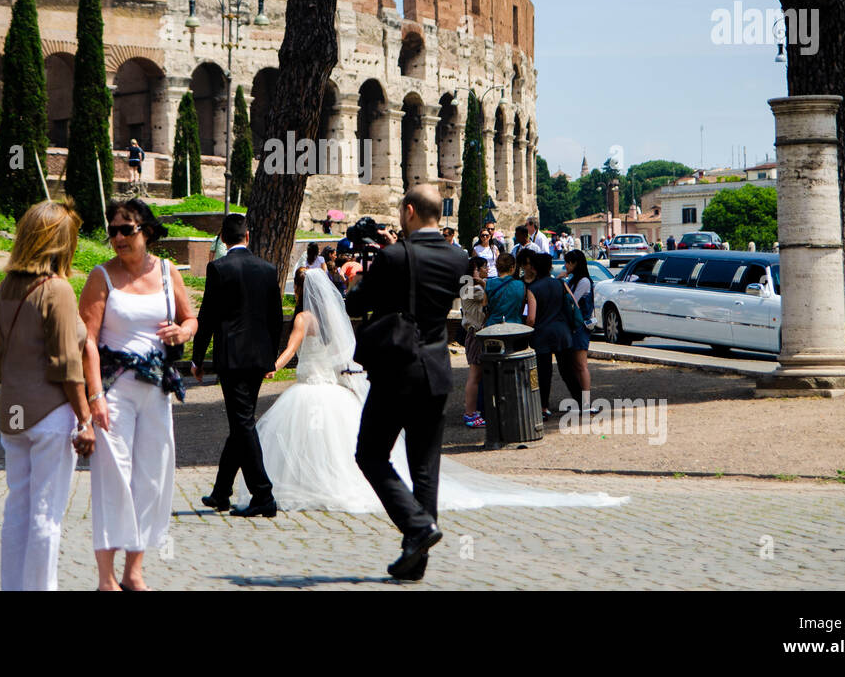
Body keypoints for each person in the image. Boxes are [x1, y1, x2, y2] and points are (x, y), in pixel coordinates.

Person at [256, 264, 625, 519]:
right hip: (338, 386)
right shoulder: (331, 322)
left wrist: (275, 363)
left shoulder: (304, 318)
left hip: (313, 388)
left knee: (320, 444)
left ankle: (335, 493)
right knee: (338, 445)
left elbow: (292, 349)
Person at [347, 185, 468, 581]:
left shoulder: (393, 256)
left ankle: (416, 527)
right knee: (425, 466)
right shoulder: (458, 257)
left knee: (370, 453)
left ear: (410, 211)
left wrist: (378, 260)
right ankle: (416, 558)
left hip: (397, 369)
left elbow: (355, 302)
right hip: (436, 368)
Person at [80, 198, 197, 591]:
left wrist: (183, 332)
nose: (117, 238)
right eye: (112, 230)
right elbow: (88, 342)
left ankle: (135, 570)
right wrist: (94, 396)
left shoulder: (167, 271)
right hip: (114, 391)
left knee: (152, 477)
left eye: (125, 229)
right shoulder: (101, 277)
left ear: (145, 231)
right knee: (113, 476)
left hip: (157, 389)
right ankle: (105, 577)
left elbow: (191, 318)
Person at [0, 199, 95, 591]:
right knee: (46, 515)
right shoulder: (57, 289)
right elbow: (67, 363)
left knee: (17, 508)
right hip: (49, 411)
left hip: (12, 411)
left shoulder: (4, 288)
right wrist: (85, 420)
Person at [192, 212, 283, 517]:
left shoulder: (218, 268)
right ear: (247, 236)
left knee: (242, 423)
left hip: (232, 358)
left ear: (222, 239)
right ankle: (221, 492)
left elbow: (207, 317)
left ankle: (263, 494)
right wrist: (271, 356)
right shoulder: (268, 269)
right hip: (258, 358)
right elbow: (275, 319)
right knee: (240, 423)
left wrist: (197, 357)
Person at [525, 252, 579, 418]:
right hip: (562, 332)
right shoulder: (560, 284)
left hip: (542, 334)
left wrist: (526, 330)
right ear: (550, 267)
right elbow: (574, 304)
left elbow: (532, 317)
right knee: (568, 370)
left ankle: (543, 407)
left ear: (534, 268)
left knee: (543, 373)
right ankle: (581, 401)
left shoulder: (533, 289)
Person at [561, 250, 598, 413]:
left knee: (581, 365)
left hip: (580, 327)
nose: (565, 266)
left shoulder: (583, 281)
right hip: (573, 327)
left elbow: (573, 301)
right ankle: (581, 400)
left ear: (575, 264)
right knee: (576, 365)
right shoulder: (573, 280)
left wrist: (562, 283)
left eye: (568, 262)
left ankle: (586, 402)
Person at [459, 255, 489, 429]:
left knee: (476, 375)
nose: (487, 269)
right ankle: (470, 414)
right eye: (483, 267)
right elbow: (486, 299)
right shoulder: (473, 289)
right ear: (475, 271)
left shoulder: (469, 288)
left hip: (474, 334)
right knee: (474, 376)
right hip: (475, 334)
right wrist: (483, 283)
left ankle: (472, 412)